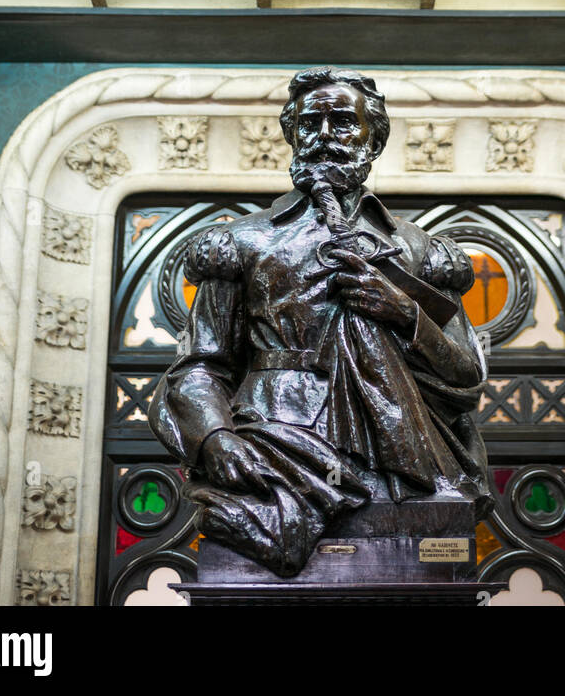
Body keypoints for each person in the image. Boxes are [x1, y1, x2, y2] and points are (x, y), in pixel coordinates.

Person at [149, 66, 492, 577]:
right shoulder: (244, 242)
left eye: (343, 122)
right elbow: (201, 366)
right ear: (292, 136)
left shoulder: (421, 251)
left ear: (373, 141)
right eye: (310, 124)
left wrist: (403, 312)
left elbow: (465, 374)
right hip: (276, 437)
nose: (325, 137)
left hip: (402, 446)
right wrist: (215, 436)